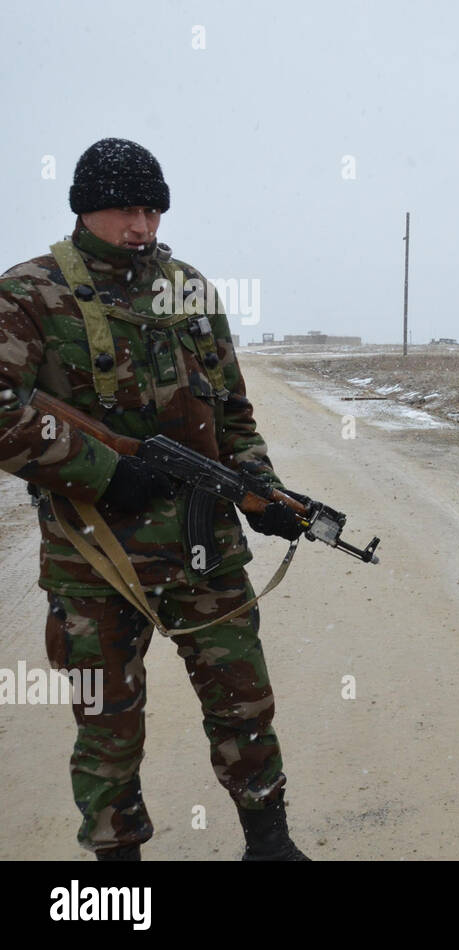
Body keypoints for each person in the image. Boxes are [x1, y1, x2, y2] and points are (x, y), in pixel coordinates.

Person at [0, 138, 310, 860]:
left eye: (152, 210)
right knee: (108, 724)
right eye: (126, 211)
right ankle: (118, 872)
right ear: (85, 209)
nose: (142, 227)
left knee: (245, 705)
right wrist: (101, 470)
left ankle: (270, 843)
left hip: (204, 553)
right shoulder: (28, 294)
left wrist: (261, 491)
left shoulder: (190, 290)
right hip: (96, 560)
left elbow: (233, 414)